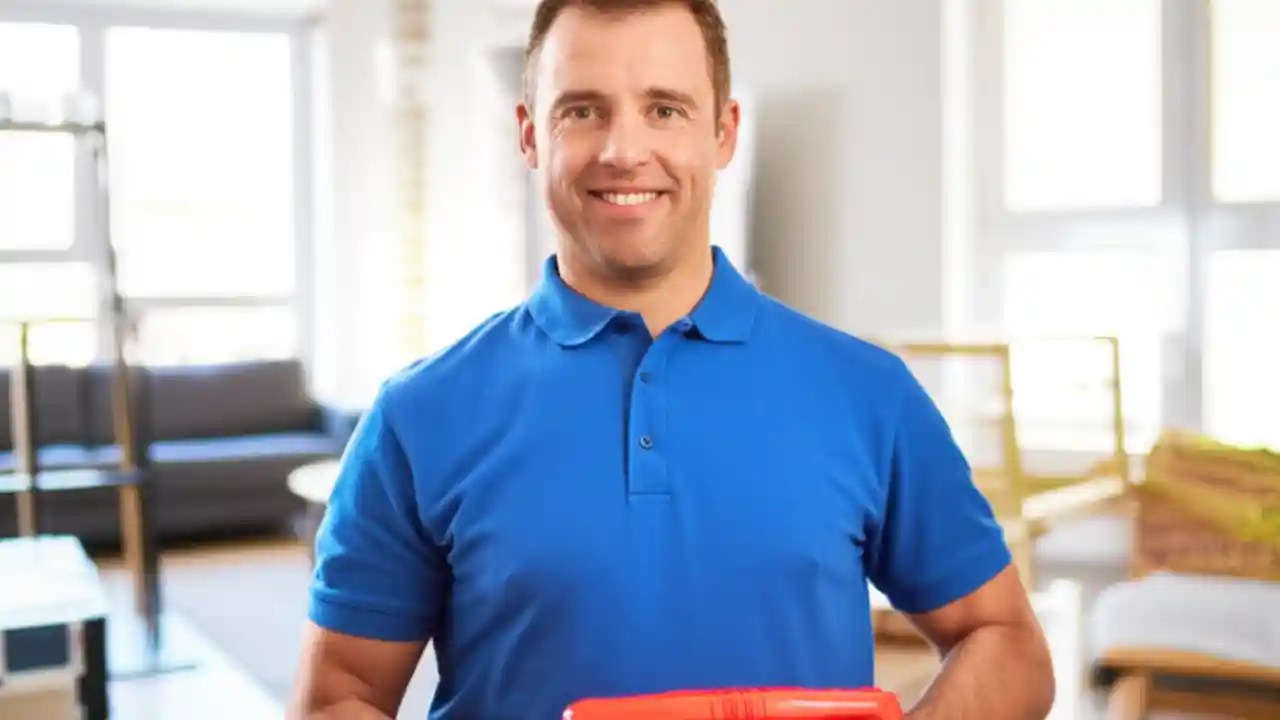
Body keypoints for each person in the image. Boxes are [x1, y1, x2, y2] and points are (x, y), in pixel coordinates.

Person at [288, 1, 1056, 718]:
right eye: (582, 111)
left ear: (723, 131)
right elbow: (340, 692)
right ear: (529, 134)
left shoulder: (868, 394)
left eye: (665, 109)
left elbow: (1006, 641)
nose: (625, 151)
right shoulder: (419, 415)